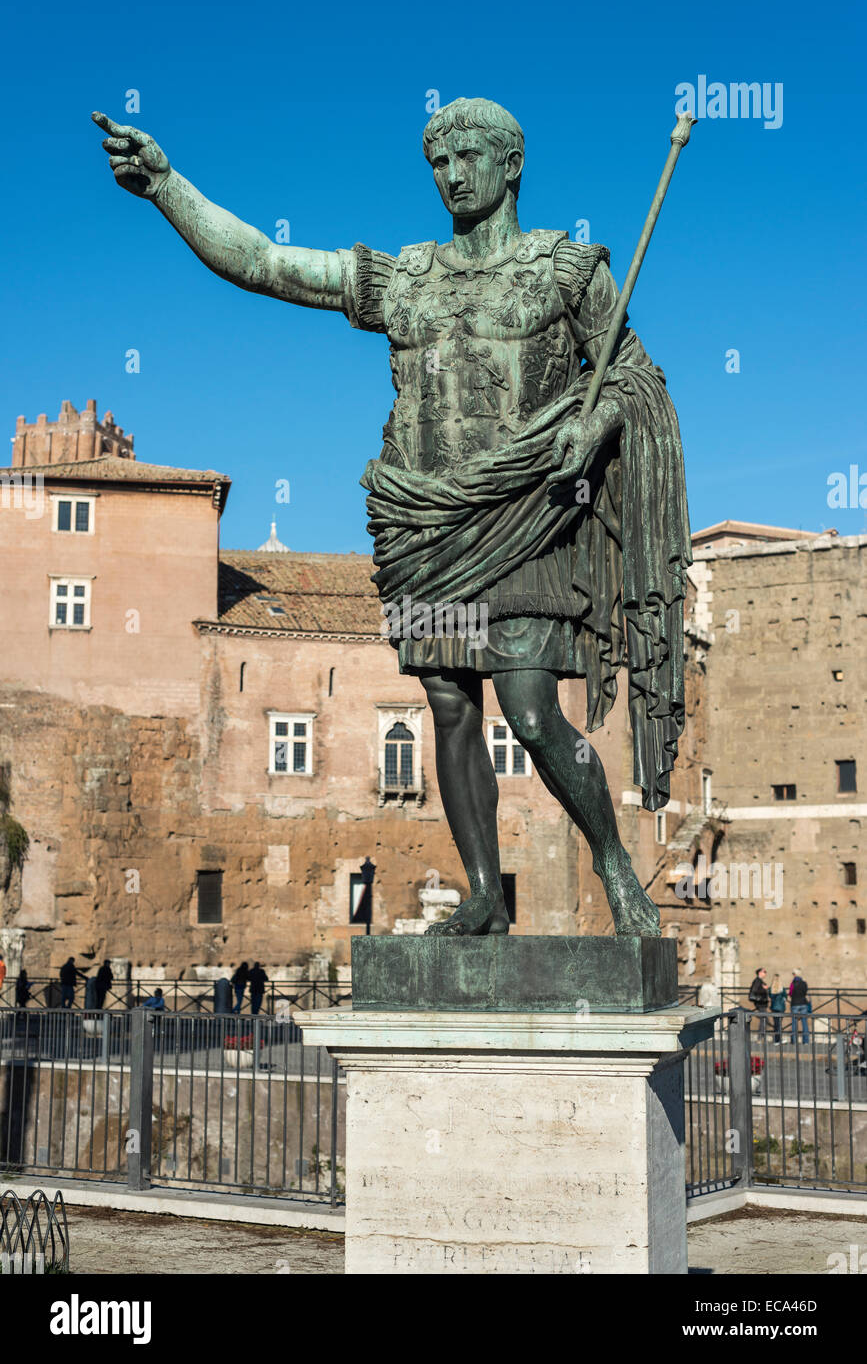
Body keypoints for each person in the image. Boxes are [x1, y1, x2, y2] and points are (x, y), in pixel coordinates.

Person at [92, 96, 692, 940]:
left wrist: (596, 418)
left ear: (511, 165)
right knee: (447, 704)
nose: (450, 175)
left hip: (523, 515)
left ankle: (613, 866)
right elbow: (265, 262)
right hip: (422, 523)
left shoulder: (563, 269)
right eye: (437, 163)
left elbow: (632, 372)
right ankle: (483, 893)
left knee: (526, 709)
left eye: (467, 157)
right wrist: (166, 188)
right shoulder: (404, 276)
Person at [789, 969, 810, 1044]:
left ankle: (794, 1041)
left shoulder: (792, 983)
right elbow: (805, 991)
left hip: (795, 1004)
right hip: (803, 1003)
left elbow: (790, 993)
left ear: (795, 974)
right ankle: (806, 1041)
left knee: (794, 1023)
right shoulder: (804, 983)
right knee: (804, 1023)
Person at [769, 974, 787, 1044]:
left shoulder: (771, 989)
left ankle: (776, 1040)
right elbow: (785, 996)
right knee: (779, 1024)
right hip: (781, 1008)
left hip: (774, 1008)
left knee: (776, 1024)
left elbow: (770, 996)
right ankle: (778, 1039)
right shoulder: (782, 988)